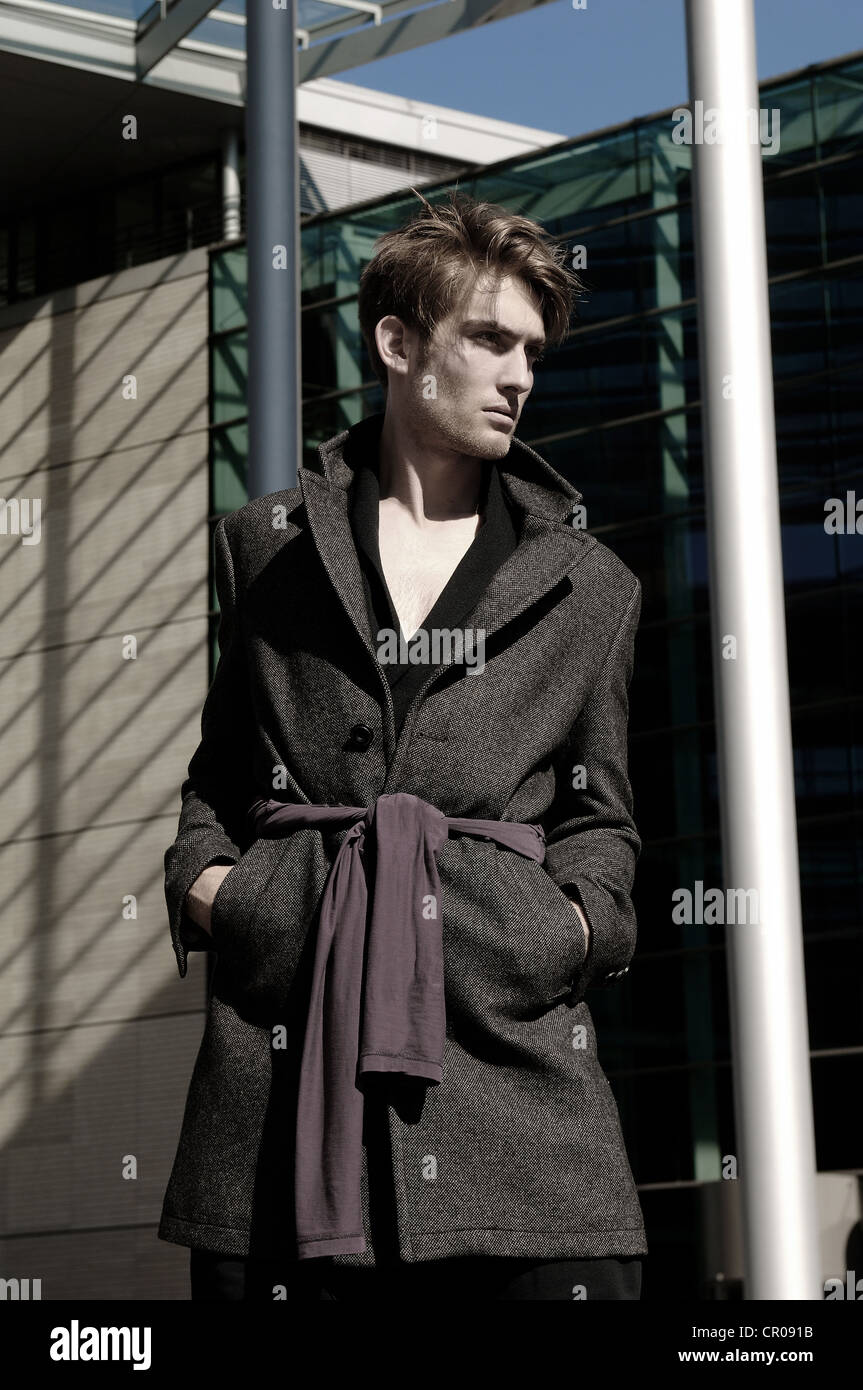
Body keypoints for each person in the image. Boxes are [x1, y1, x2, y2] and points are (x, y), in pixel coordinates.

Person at [159, 189, 647, 1301]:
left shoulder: (591, 585)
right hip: (278, 1095)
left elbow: (600, 818)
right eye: (488, 337)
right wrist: (227, 896)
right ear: (396, 343)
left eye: (532, 348)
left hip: (516, 1094)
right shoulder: (263, 547)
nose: (519, 373)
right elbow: (218, 784)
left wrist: (563, 928)